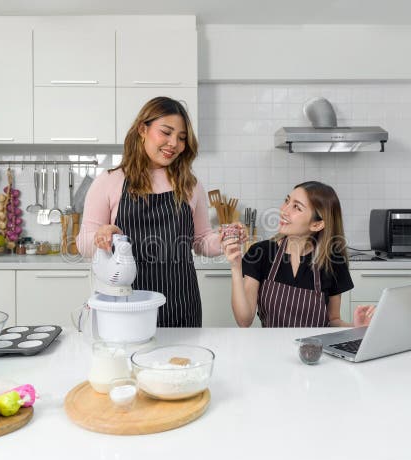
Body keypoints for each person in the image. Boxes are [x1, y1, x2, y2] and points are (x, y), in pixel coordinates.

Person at [77, 97, 221, 327]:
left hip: (181, 304)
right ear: (142, 129)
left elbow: (201, 241)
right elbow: (83, 246)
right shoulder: (109, 181)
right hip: (126, 306)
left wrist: (223, 241)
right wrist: (101, 236)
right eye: (166, 132)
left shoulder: (190, 185)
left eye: (182, 138)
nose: (174, 143)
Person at [223, 181, 375, 328]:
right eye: (287, 201)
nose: (284, 210)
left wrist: (356, 328)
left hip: (316, 351)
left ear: (317, 224)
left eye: (296, 207)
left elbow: (333, 320)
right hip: (272, 348)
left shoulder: (332, 261)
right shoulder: (261, 252)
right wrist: (236, 267)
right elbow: (244, 321)